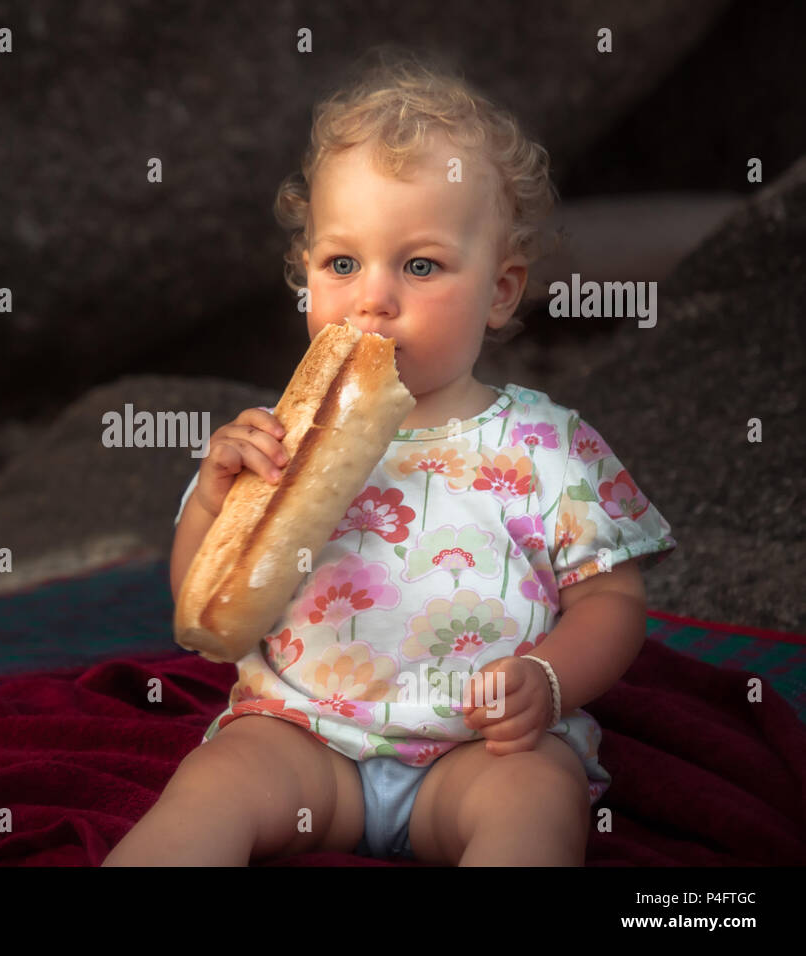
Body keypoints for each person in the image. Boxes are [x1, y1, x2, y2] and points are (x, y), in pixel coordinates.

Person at [102, 56, 676, 867]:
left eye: (420, 265)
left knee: (536, 799)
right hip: (303, 740)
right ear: (305, 277)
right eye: (342, 264)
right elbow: (208, 626)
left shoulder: (546, 445)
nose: (373, 297)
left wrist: (548, 680)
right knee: (213, 782)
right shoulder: (277, 441)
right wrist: (211, 498)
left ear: (502, 289)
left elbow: (613, 602)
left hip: (474, 756)